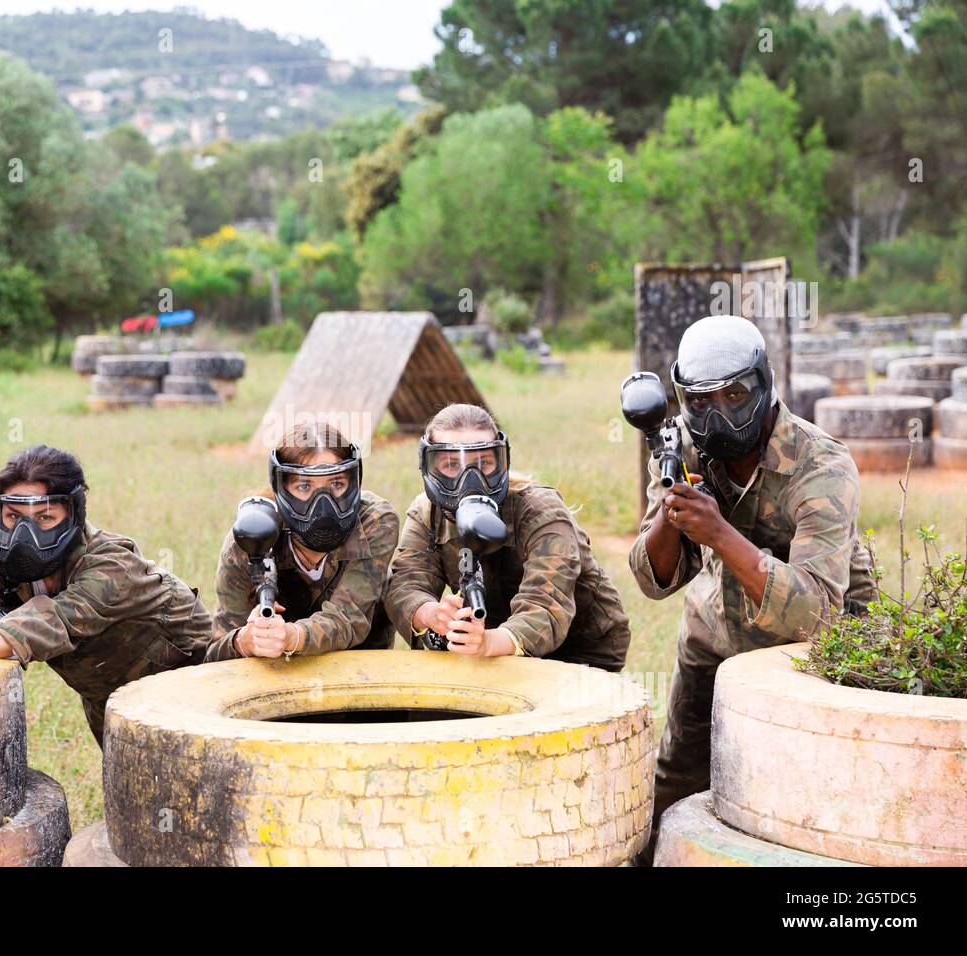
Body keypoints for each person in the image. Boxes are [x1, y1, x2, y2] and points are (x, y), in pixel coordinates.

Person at [629, 315, 877, 863]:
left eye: (735, 395)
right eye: (699, 401)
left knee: (814, 796)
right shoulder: (684, 451)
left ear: (764, 386)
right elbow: (652, 578)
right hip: (717, 630)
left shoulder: (821, 465)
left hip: (826, 652)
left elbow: (817, 612)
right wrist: (672, 513)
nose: (717, 414)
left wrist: (719, 533)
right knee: (677, 776)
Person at [0, 444, 211, 749]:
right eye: (13, 516)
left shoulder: (113, 564)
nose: (25, 532)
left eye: (45, 518)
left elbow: (54, 619)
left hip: (190, 692)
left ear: (73, 515)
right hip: (106, 696)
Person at [386, 403, 631, 668]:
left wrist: (490, 643)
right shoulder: (427, 514)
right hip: (489, 645)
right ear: (429, 468)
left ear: (502, 462)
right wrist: (432, 615)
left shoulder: (541, 512)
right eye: (451, 465)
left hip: (579, 647)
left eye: (484, 463)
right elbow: (406, 584)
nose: (470, 479)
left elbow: (546, 606)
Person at [205, 421, 399, 660]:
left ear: (353, 482)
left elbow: (348, 619)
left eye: (336, 484)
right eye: (304, 486)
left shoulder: (374, 521)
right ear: (282, 488)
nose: (323, 504)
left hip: (360, 668)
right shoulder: (252, 539)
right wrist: (245, 640)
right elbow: (215, 654)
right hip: (274, 677)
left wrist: (291, 636)